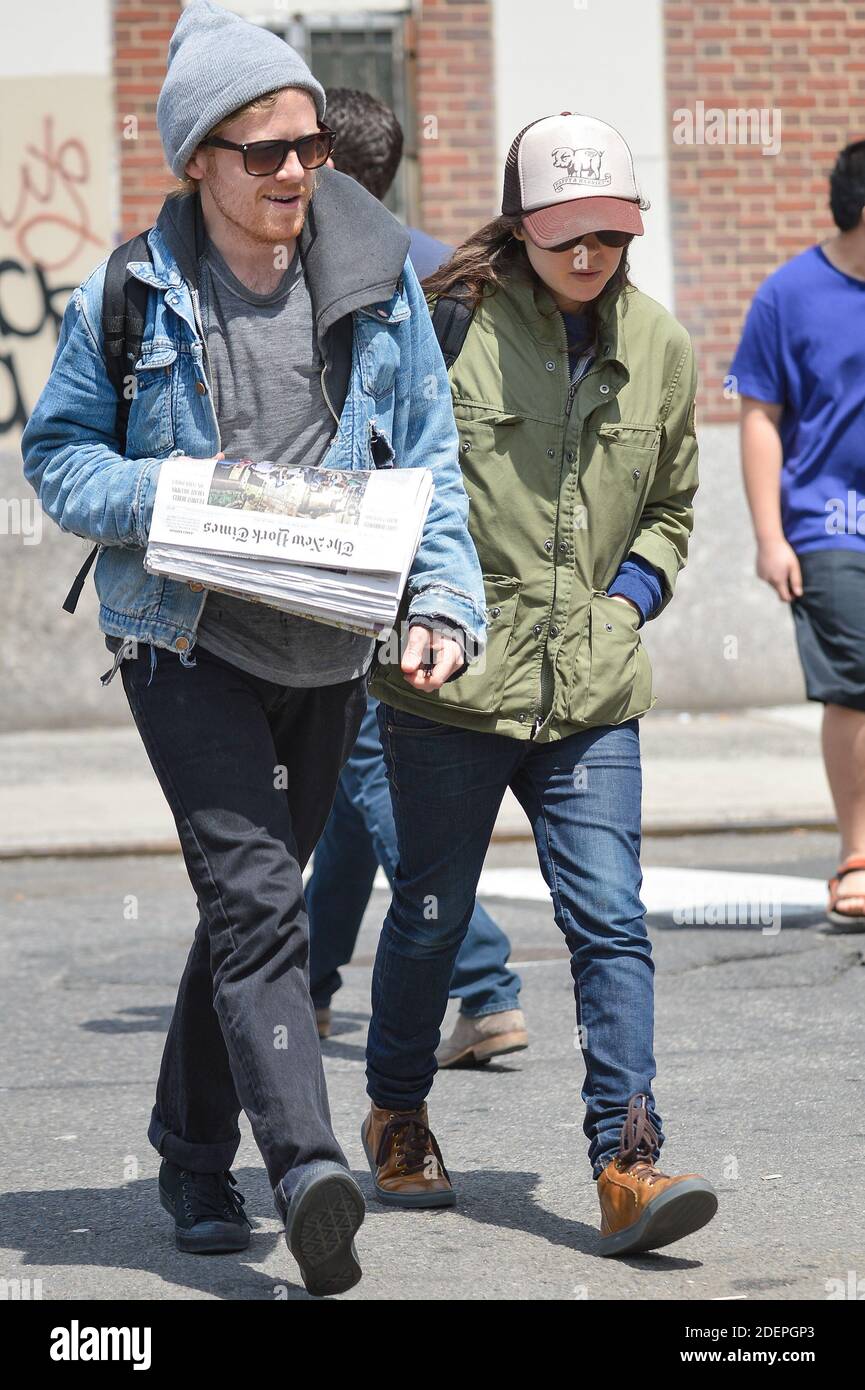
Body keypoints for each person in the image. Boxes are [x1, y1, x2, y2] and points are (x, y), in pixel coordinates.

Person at [21, 0, 486, 1296]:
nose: (294, 170)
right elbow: (56, 456)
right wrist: (171, 496)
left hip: (330, 643)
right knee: (258, 897)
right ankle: (305, 1164)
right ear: (198, 161)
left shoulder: (376, 273)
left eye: (307, 145)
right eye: (261, 149)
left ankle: (185, 1147)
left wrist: (442, 603)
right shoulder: (132, 288)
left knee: (250, 905)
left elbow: (431, 463)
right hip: (189, 641)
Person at [362, 110, 720, 1257]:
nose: (588, 260)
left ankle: (626, 1160)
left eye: (609, 238)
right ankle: (400, 1113)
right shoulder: (446, 324)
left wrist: (627, 603)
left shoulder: (660, 347)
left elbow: (670, 512)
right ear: (520, 229)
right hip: (448, 689)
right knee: (430, 916)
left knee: (612, 921)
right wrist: (418, 607)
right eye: (566, 239)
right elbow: (386, 478)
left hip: (593, 695)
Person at [307, 85, 527, 1068]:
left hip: (372, 577)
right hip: (435, 568)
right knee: (357, 800)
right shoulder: (442, 263)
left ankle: (484, 983)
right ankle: (309, 985)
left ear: (332, 174)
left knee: (371, 781)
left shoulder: (352, 270)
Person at [731, 138, 865, 931]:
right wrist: (768, 535)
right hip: (826, 522)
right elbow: (759, 415)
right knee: (855, 680)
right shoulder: (789, 293)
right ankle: (856, 853)